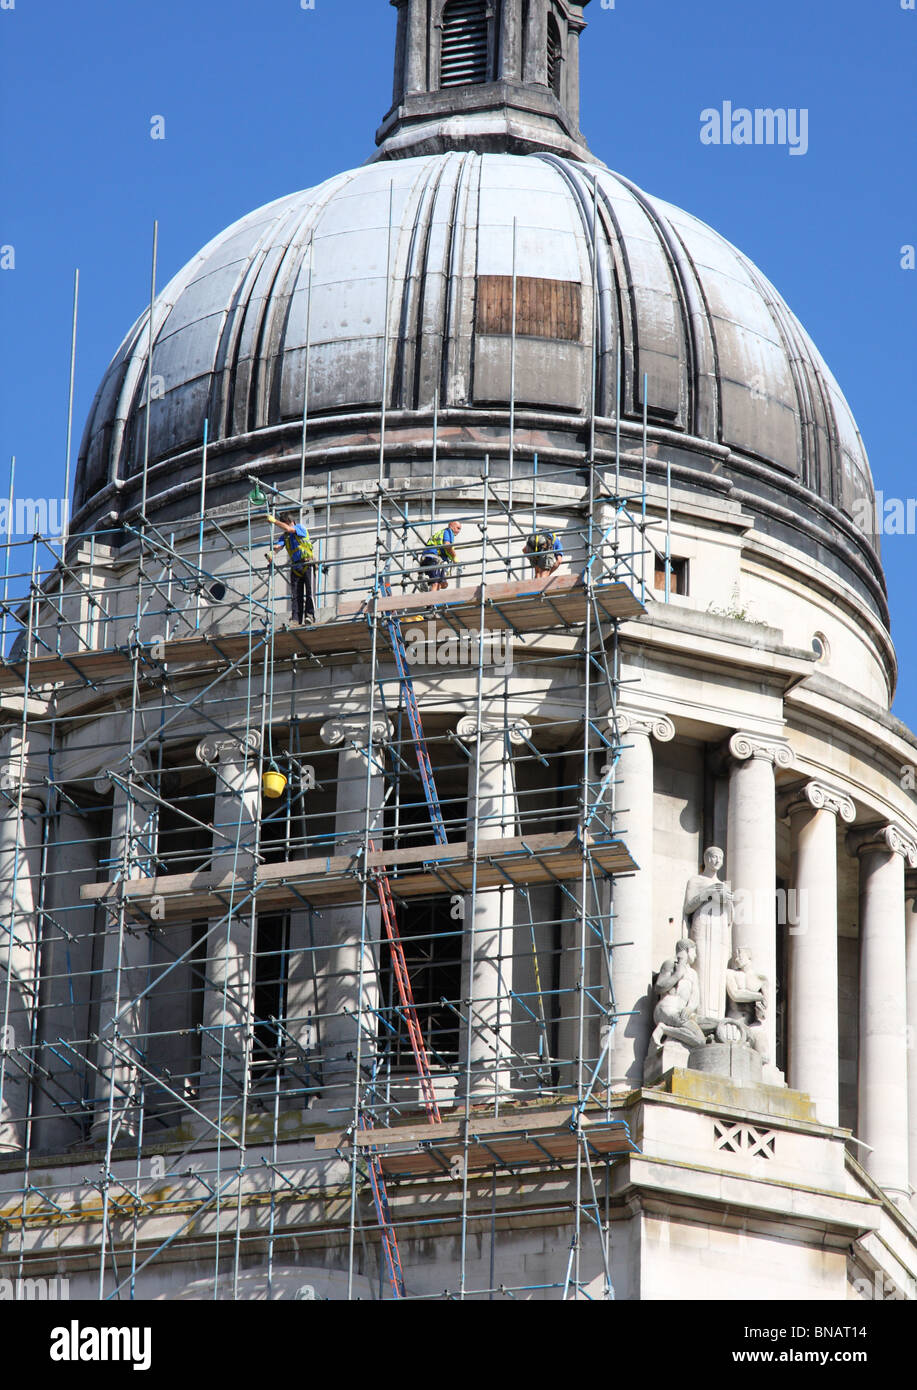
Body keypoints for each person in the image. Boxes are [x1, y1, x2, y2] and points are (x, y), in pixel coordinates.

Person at [267, 511, 316, 625]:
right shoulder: (285, 536)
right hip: (295, 566)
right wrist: (272, 553)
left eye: (286, 524)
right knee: (295, 595)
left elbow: (289, 529)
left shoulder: (300, 528)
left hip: (307, 564)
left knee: (310, 592)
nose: (284, 527)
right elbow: (278, 547)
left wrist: (274, 521)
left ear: (291, 522)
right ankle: (295, 619)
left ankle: (309, 616)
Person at [419, 520, 461, 592]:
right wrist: (454, 557)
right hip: (432, 558)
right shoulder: (448, 531)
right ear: (451, 526)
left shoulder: (441, 533)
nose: (459, 531)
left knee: (440, 584)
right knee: (435, 583)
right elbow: (447, 545)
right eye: (458, 528)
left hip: (428, 558)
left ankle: (425, 582)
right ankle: (431, 601)